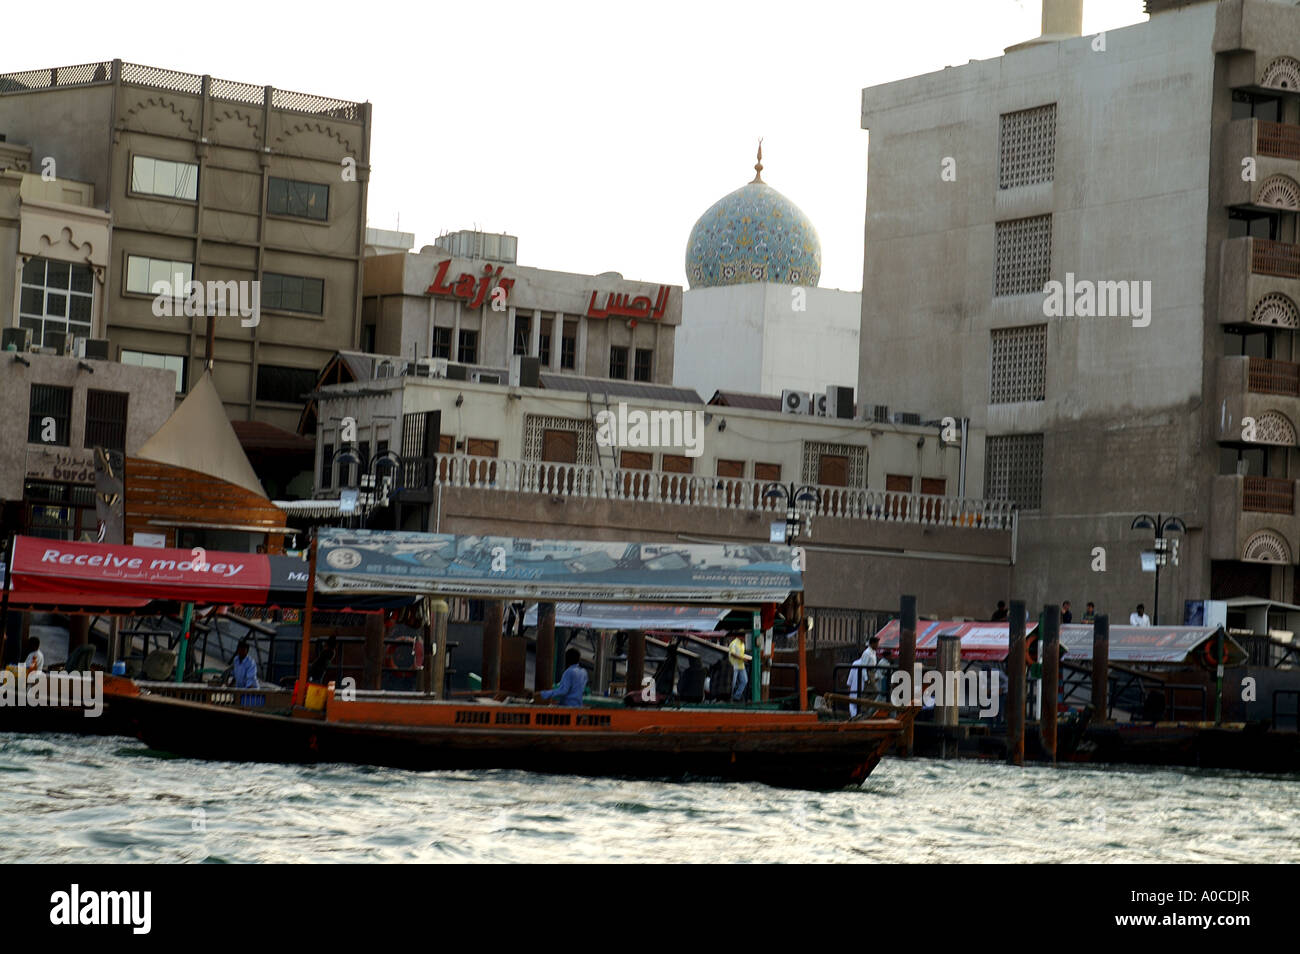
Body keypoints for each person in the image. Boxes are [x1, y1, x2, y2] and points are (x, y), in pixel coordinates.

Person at [847, 638, 879, 717]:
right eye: (877, 643)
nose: (878, 645)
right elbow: (863, 668)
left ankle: (862, 712)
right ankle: (859, 713)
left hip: (868, 677)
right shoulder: (866, 654)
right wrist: (866, 679)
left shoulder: (873, 653)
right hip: (862, 681)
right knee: (857, 700)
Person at [728, 633, 749, 702]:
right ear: (740, 636)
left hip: (741, 665)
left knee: (744, 681)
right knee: (732, 683)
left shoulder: (742, 644)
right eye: (744, 637)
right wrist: (742, 658)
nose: (745, 639)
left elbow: (740, 654)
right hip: (734, 665)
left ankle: (736, 696)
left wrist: (743, 658)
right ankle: (730, 697)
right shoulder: (734, 643)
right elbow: (732, 653)